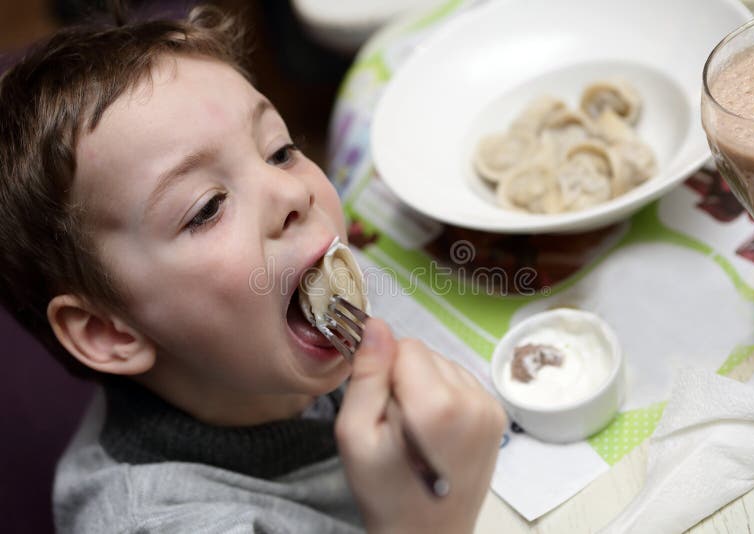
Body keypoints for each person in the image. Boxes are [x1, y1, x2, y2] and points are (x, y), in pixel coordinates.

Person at [0, 5, 507, 533]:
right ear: (109, 331)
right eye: (207, 208)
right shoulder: (162, 522)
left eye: (280, 151)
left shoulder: (268, 318)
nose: (293, 193)